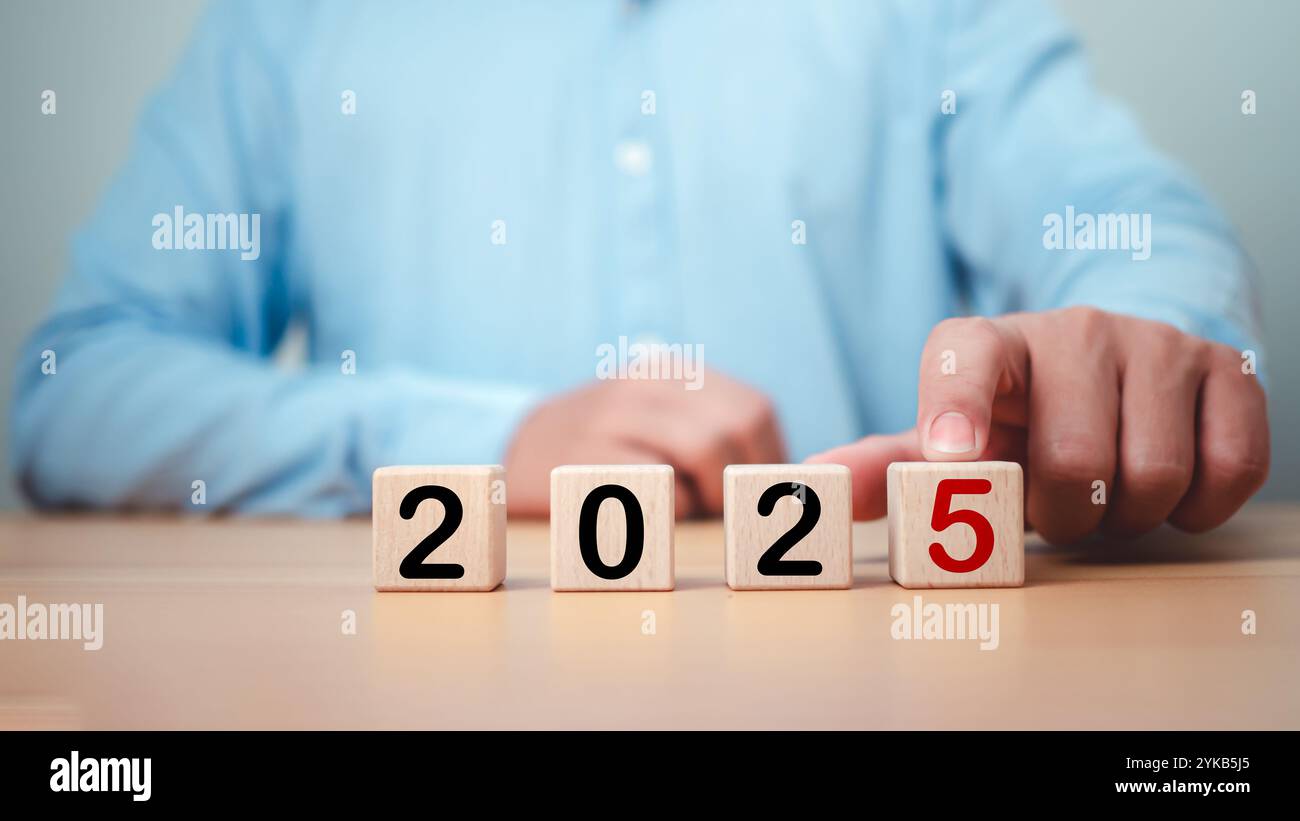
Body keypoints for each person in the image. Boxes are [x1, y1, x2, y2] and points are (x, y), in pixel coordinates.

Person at [9, 0, 1269, 543]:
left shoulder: (924, 11)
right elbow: (76, 387)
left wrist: (1124, 349)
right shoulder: (289, 24)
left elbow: (1127, 217)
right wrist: (482, 445)